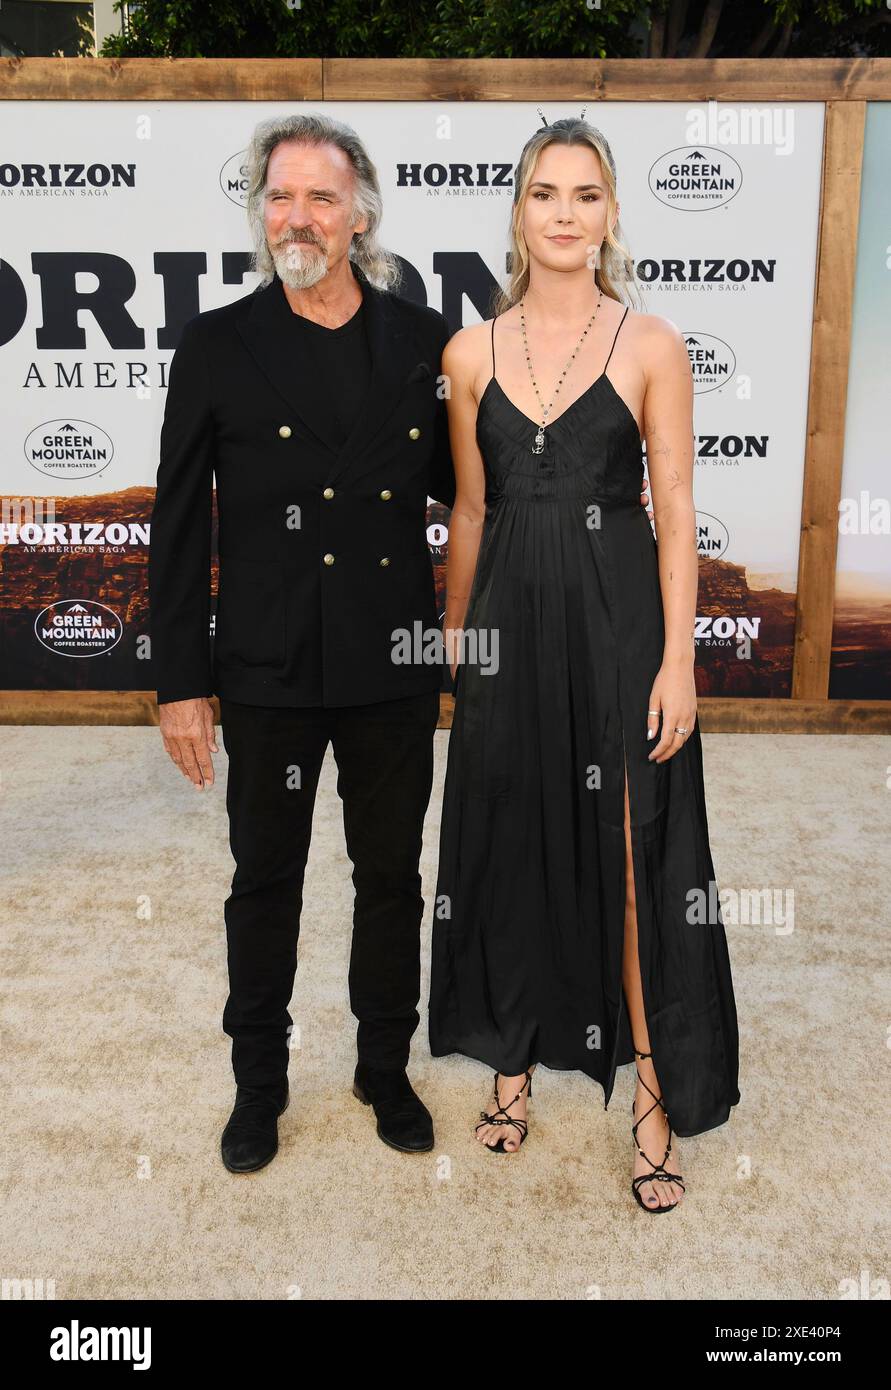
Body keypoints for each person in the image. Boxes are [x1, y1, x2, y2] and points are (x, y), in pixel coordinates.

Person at [428, 114, 740, 1212]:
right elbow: (469, 508)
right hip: (510, 626)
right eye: (546, 194)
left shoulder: (651, 342)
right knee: (511, 840)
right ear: (518, 213)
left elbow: (677, 510)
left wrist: (680, 663)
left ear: (611, 215)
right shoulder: (469, 353)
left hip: (620, 632)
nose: (566, 214)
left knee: (629, 852)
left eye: (587, 195)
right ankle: (514, 1055)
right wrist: (458, 636)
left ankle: (654, 1093)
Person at [148, 113, 460, 1173]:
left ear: (360, 213)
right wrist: (180, 683)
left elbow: (476, 501)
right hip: (269, 671)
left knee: (389, 877)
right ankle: (259, 1085)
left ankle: (384, 1066)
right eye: (279, 196)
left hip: (391, 670)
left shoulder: (425, 344)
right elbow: (180, 525)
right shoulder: (217, 345)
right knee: (263, 879)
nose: (297, 217)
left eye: (321, 197)